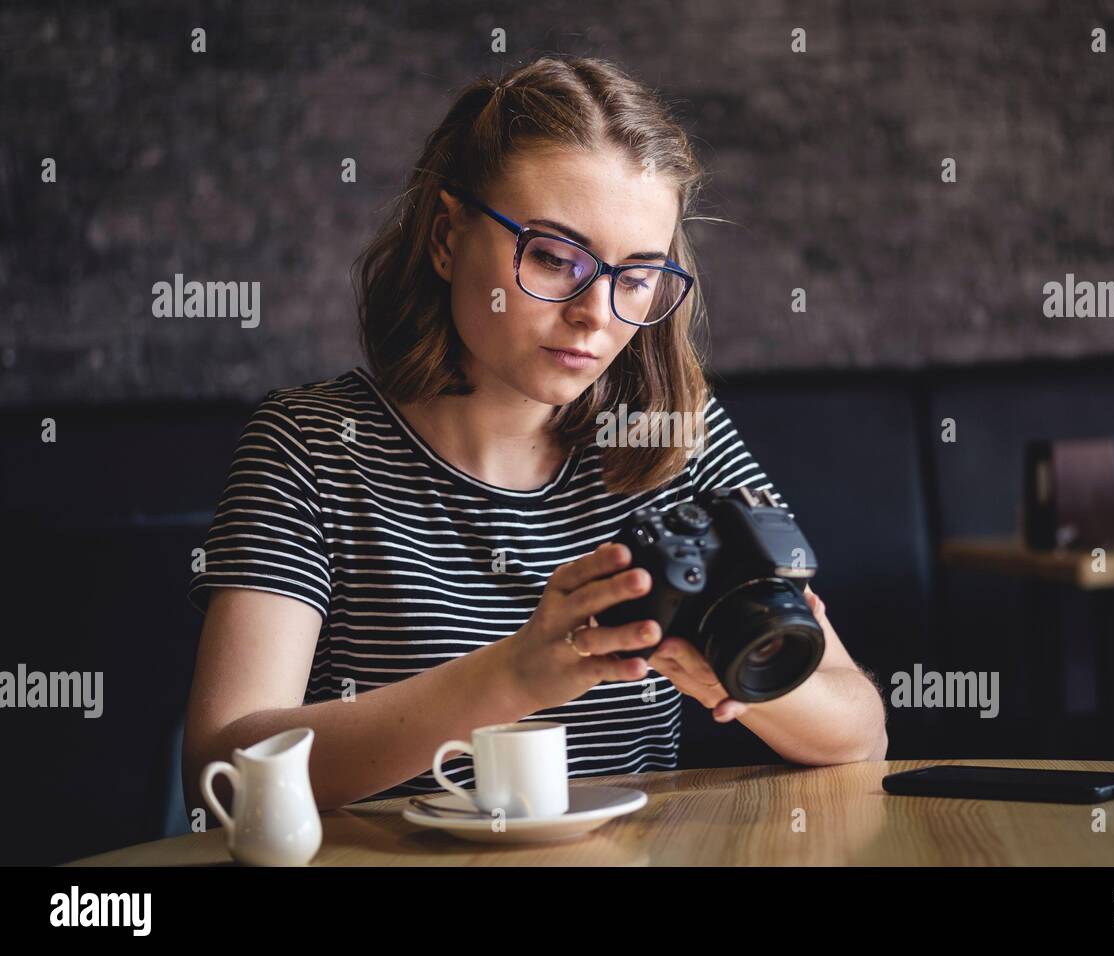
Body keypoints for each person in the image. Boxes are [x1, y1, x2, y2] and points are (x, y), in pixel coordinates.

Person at [181, 55, 888, 815]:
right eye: (554, 258)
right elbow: (225, 771)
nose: (597, 313)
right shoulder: (311, 445)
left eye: (637, 276)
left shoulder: (670, 434)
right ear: (447, 237)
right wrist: (512, 677)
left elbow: (861, 731)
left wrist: (743, 682)